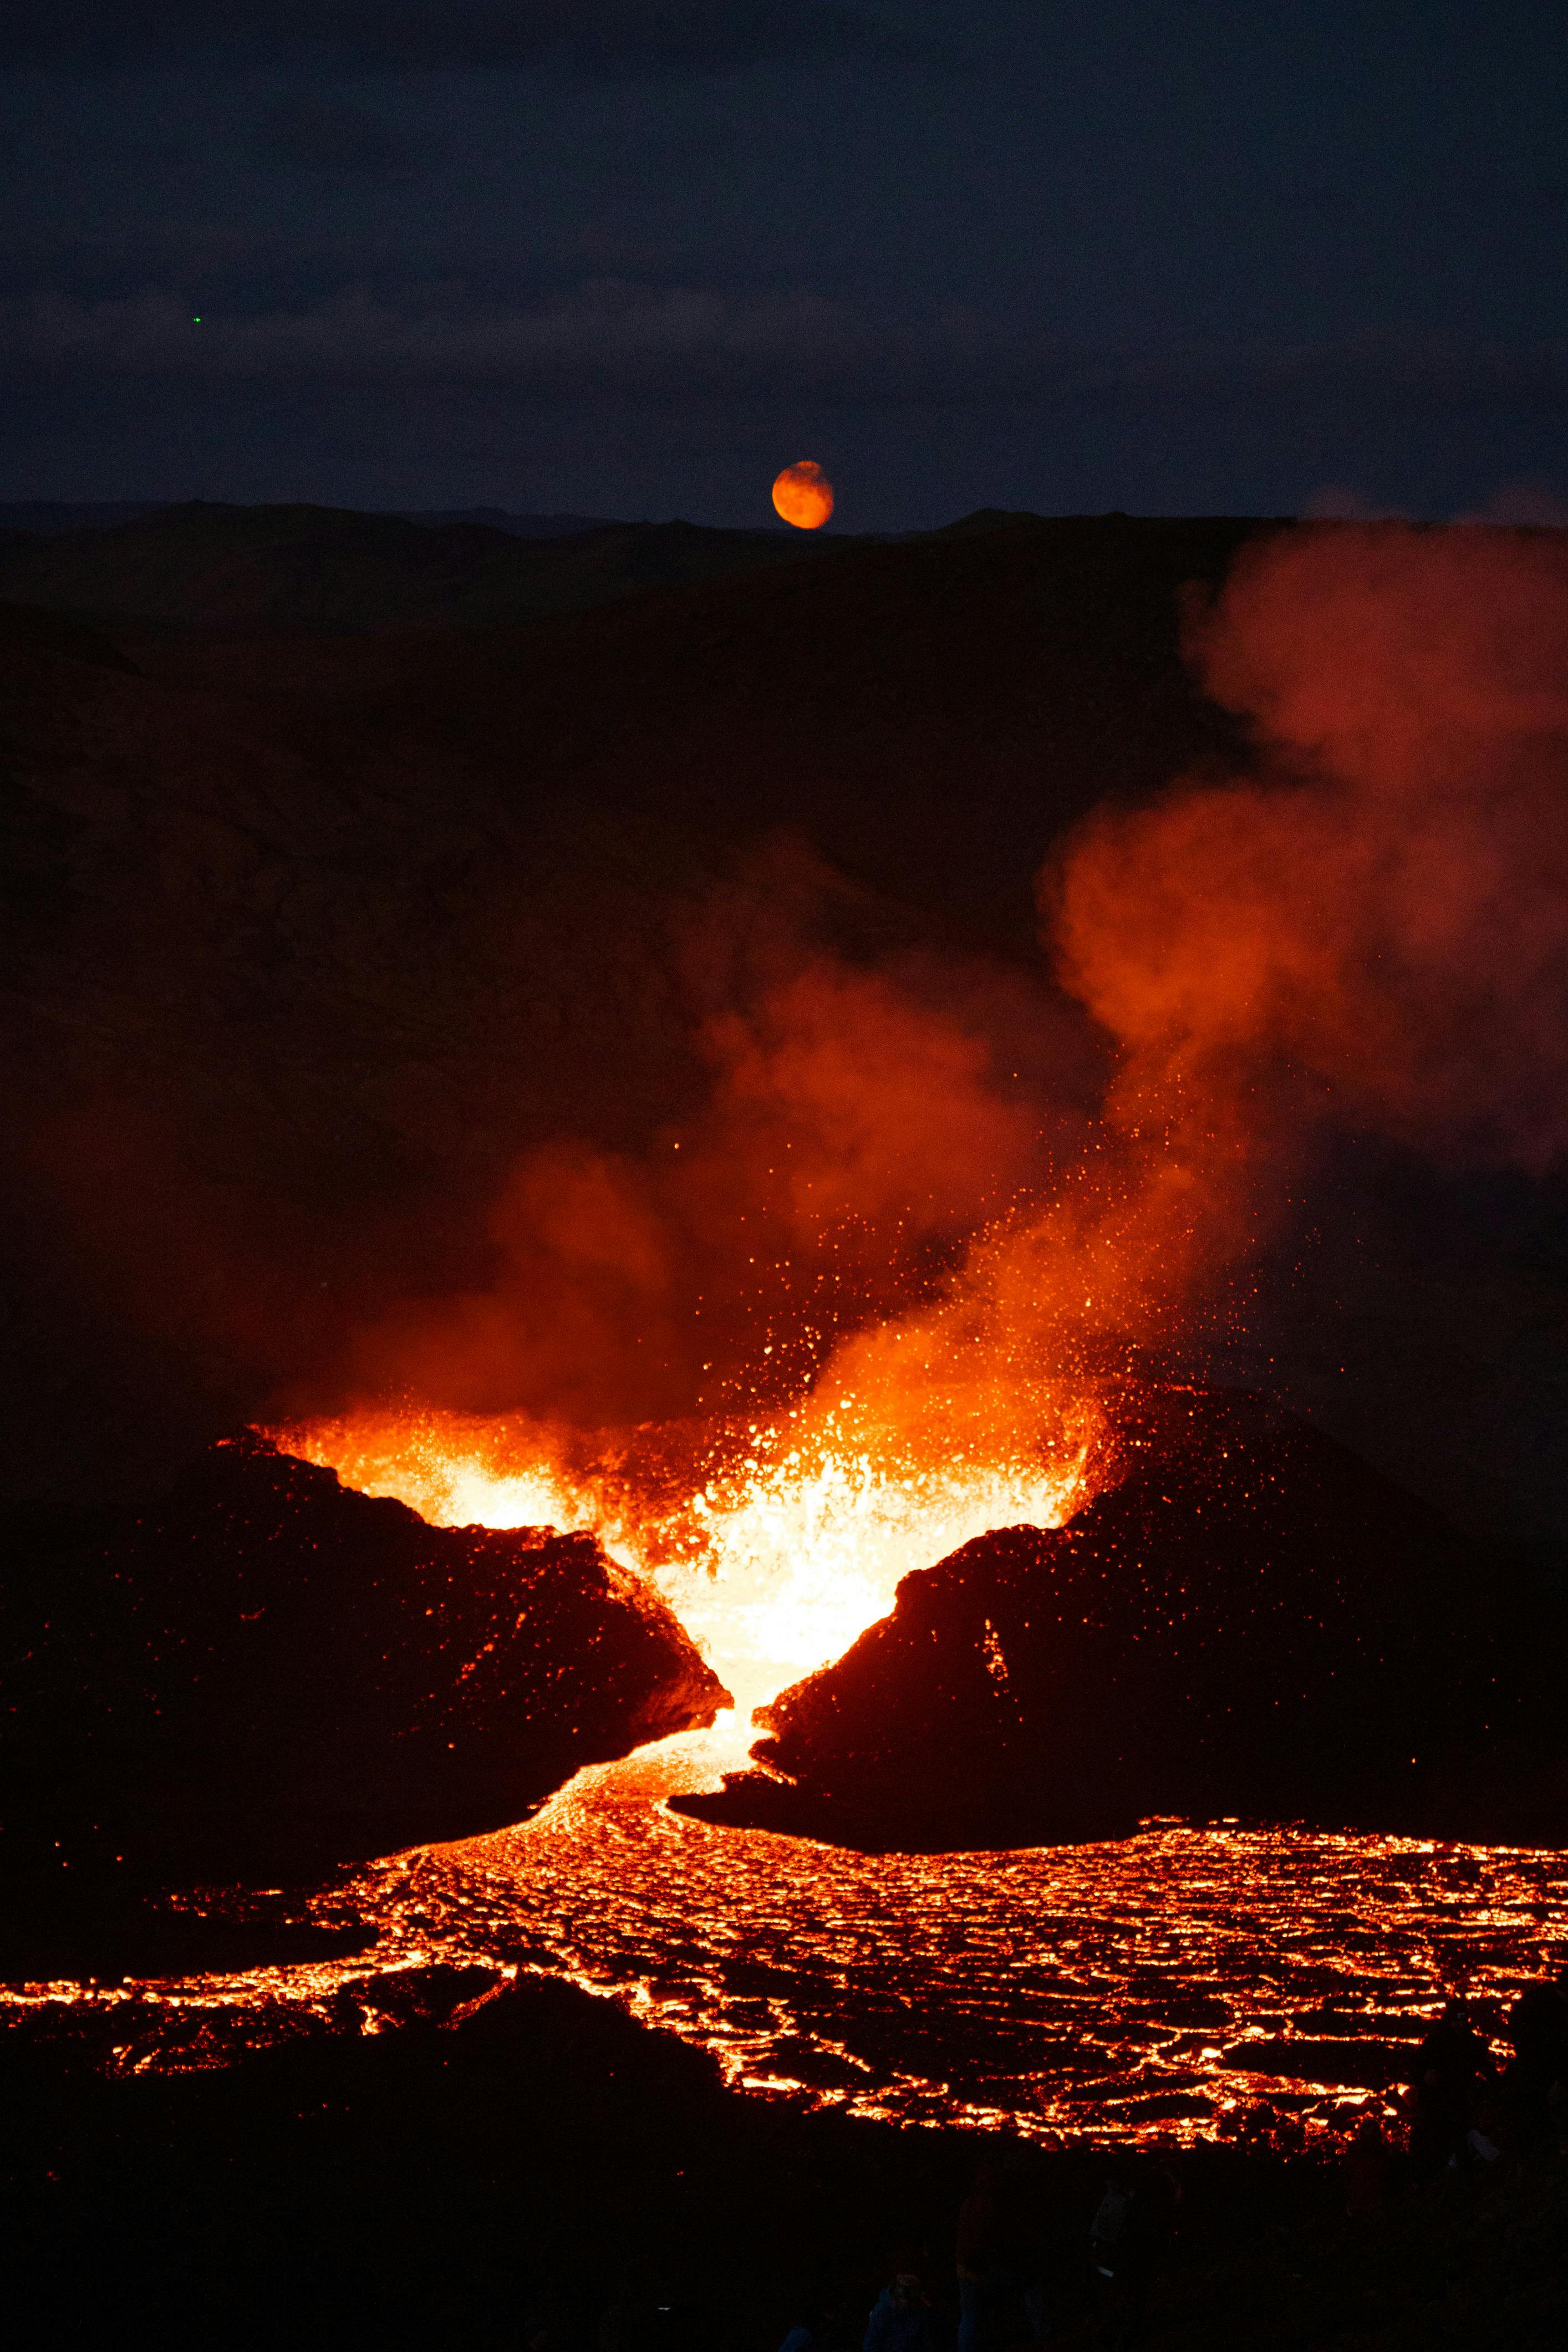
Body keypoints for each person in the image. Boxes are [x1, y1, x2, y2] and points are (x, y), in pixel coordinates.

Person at [1408, 1998, 1497, 2177]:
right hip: (1437, 2101)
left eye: (1463, 2021)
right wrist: (1424, 2078)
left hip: (1460, 2101)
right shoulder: (1436, 2042)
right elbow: (1416, 2068)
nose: (1460, 2025)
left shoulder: (1471, 2043)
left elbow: (1485, 2067)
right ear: (1449, 2021)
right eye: (1456, 2021)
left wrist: (1498, 2083)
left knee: (1459, 2140)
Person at [864, 2274, 935, 2352]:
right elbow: (870, 2346)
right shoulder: (881, 2312)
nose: (912, 2304)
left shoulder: (918, 2310)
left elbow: (924, 2342)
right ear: (899, 2297)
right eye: (909, 2301)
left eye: (914, 2300)